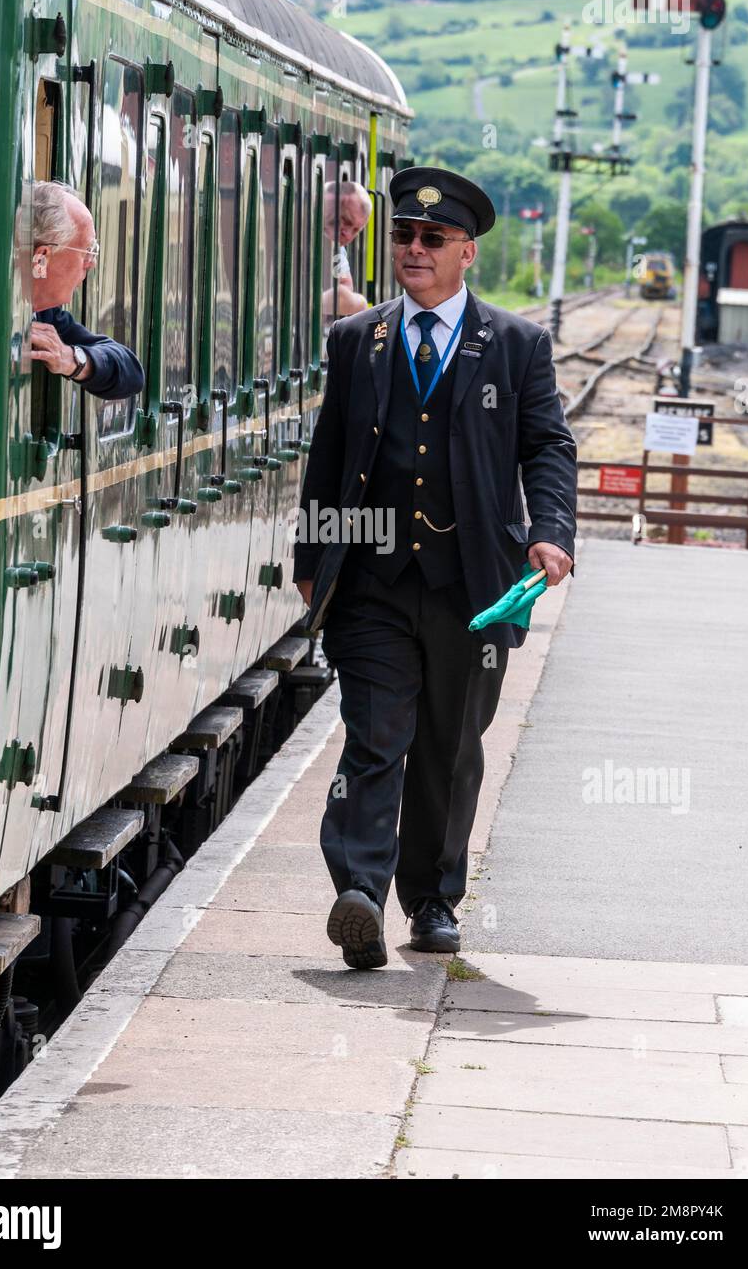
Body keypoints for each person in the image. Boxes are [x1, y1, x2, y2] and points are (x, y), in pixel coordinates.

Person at [293, 166, 577, 969]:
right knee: (374, 736)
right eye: (404, 236)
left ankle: (432, 900)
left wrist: (551, 532)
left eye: (432, 239)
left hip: (474, 586)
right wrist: (311, 559)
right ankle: (357, 890)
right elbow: (329, 457)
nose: (413, 250)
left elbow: (548, 447)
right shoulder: (356, 340)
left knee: (449, 746)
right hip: (373, 584)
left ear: (466, 253)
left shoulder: (516, 345)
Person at [29, 181, 145, 399]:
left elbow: (131, 372)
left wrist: (71, 359)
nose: (91, 263)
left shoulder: (46, 315)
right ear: (41, 258)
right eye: (87, 251)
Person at [321, 179, 372, 321]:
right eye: (344, 221)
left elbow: (343, 290)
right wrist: (361, 303)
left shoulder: (337, 248)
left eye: (356, 229)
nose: (348, 235)